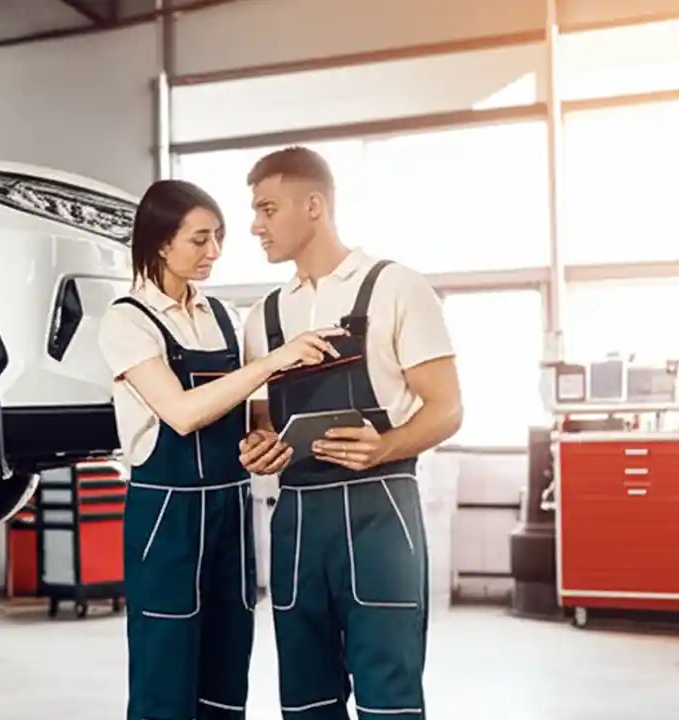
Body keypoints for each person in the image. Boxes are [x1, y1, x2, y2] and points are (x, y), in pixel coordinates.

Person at [98, 179, 344, 720]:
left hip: (232, 511)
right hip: (167, 516)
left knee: (228, 661)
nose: (213, 252)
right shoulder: (127, 320)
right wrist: (275, 360)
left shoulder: (224, 318)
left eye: (219, 238)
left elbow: (253, 415)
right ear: (162, 243)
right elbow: (182, 413)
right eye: (199, 240)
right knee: (166, 665)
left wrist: (265, 436)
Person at [236, 147, 463, 720]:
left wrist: (386, 446)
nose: (254, 225)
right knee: (306, 701)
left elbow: (447, 408)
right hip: (297, 521)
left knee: (390, 699)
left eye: (267, 208)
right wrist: (259, 447)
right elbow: (262, 422)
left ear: (314, 205)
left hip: (380, 514)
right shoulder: (262, 317)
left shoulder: (395, 287)